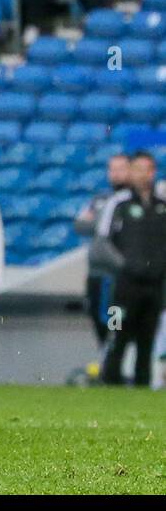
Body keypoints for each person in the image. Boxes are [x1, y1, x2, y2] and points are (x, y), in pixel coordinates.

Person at [97, 152, 166, 387]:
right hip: (124, 286)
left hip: (155, 286)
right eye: (137, 169)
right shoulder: (119, 204)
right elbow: (102, 241)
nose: (143, 174)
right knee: (117, 334)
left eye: (147, 169)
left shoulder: (162, 206)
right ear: (130, 172)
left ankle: (142, 388)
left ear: (153, 172)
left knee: (147, 341)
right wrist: (124, 265)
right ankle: (109, 383)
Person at [74, 154, 130, 350]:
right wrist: (104, 221)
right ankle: (108, 360)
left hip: (119, 276)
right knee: (98, 316)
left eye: (120, 168)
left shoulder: (131, 202)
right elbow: (80, 224)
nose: (115, 174)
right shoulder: (101, 199)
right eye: (112, 169)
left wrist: (100, 221)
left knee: (116, 321)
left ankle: (115, 362)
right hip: (97, 273)